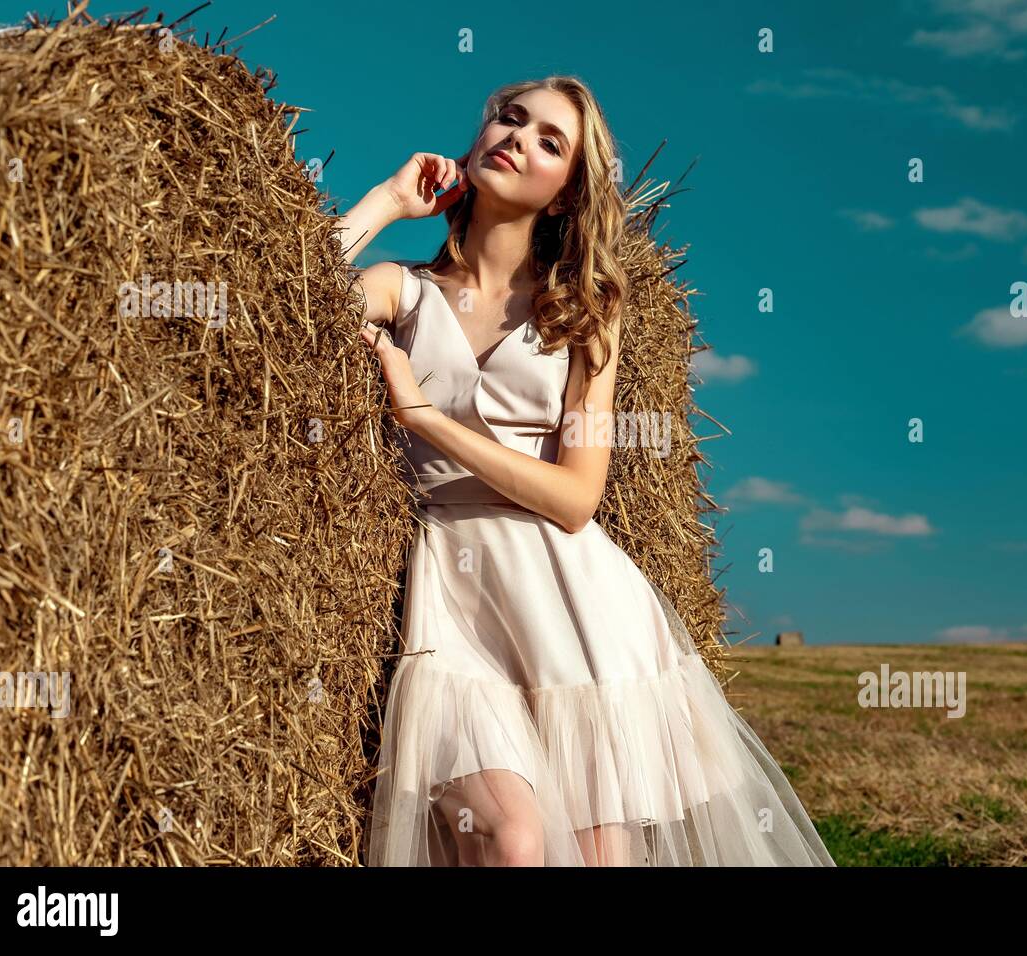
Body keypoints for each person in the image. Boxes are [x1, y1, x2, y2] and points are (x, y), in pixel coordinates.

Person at [339, 75, 835, 866]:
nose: (517, 138)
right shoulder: (404, 291)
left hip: (572, 604)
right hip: (454, 604)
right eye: (509, 118)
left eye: (549, 140)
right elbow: (280, 301)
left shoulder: (585, 309)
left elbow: (577, 499)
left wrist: (429, 422)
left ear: (567, 192)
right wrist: (388, 200)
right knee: (509, 839)